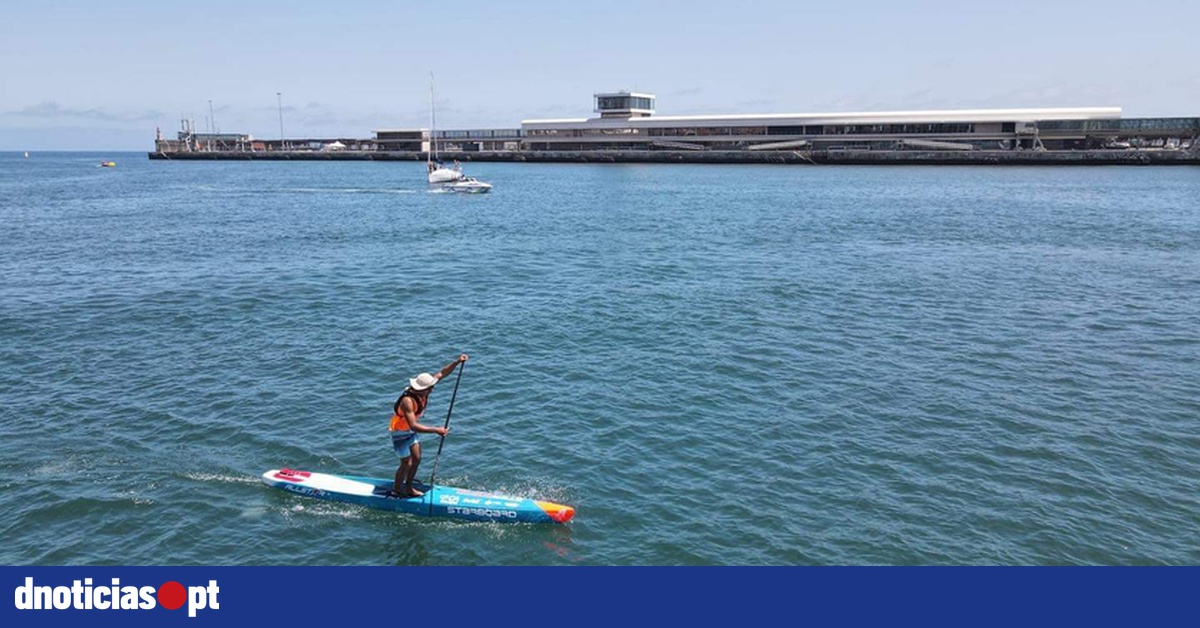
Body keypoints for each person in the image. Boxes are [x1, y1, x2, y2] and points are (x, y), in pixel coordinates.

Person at [388, 354, 468, 497]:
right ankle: (396, 489)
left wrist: (457, 362)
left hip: (410, 432)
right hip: (399, 433)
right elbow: (413, 425)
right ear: (420, 389)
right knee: (406, 463)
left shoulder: (423, 391)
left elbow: (442, 373)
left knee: (417, 458)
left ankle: (409, 486)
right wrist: (436, 430)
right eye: (429, 388)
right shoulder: (407, 401)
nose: (432, 390)